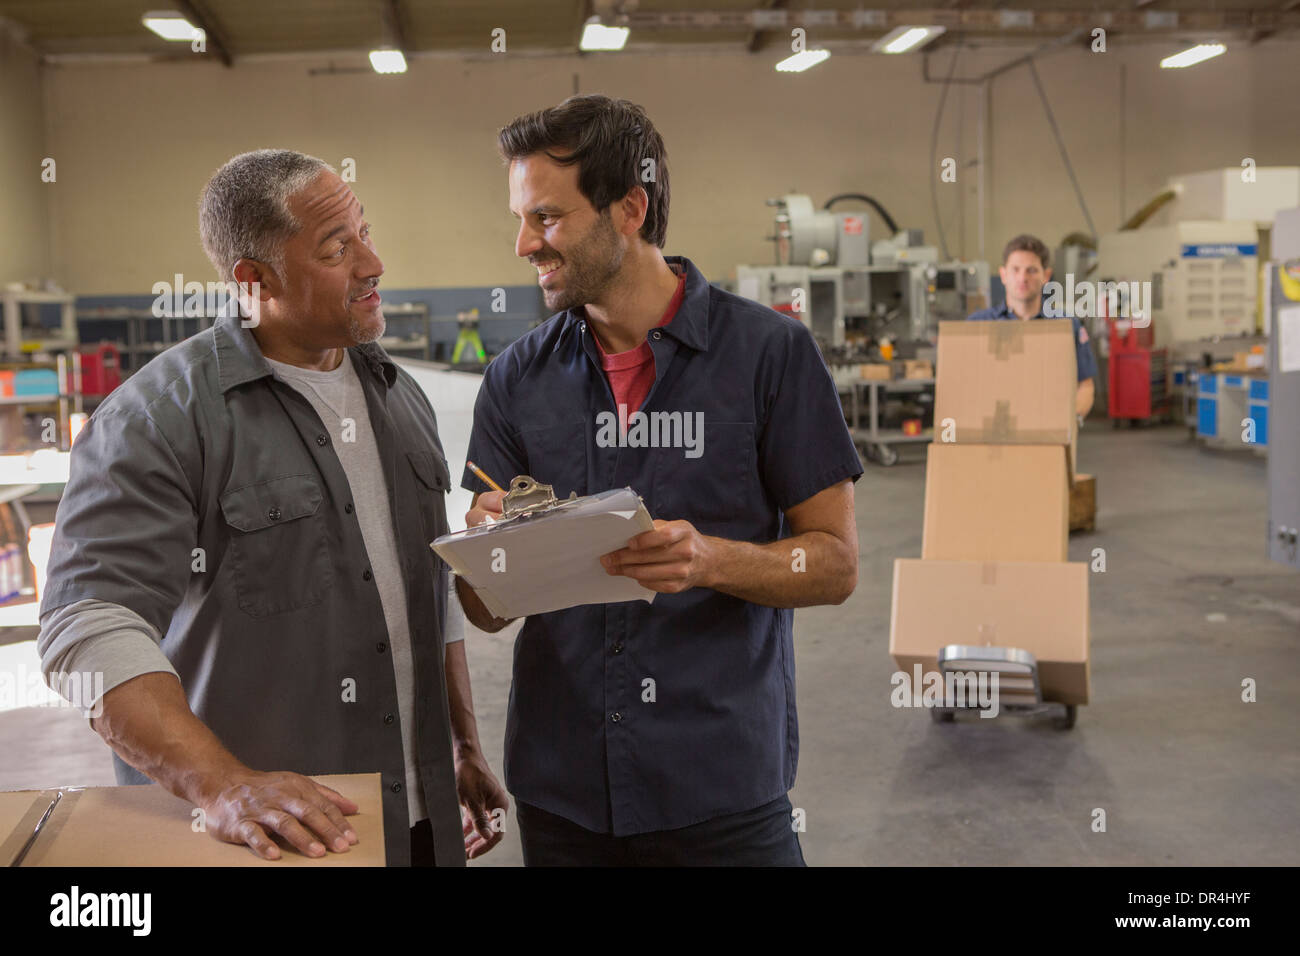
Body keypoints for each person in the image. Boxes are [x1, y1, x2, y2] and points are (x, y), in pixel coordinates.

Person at [37, 149, 507, 867]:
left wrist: (463, 747)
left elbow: (427, 590)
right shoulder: (159, 418)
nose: (374, 262)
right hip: (268, 844)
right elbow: (89, 627)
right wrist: (223, 786)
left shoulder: (398, 395)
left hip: (419, 823)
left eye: (366, 233)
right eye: (337, 247)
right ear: (254, 282)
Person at [456, 95, 863, 866]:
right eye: (519, 218)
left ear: (630, 207)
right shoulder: (515, 381)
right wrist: (489, 551)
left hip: (721, 792)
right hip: (564, 796)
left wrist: (711, 561)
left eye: (545, 218)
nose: (521, 244)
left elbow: (835, 565)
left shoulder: (770, 356)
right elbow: (483, 611)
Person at [967, 234, 1098, 416]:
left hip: (1049, 433)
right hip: (993, 428)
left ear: (1046, 276)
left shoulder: (1066, 326)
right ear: (1003, 274)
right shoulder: (977, 326)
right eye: (1015, 269)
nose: (1022, 278)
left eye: (1031, 270)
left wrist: (1068, 420)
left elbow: (1085, 386)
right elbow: (961, 382)